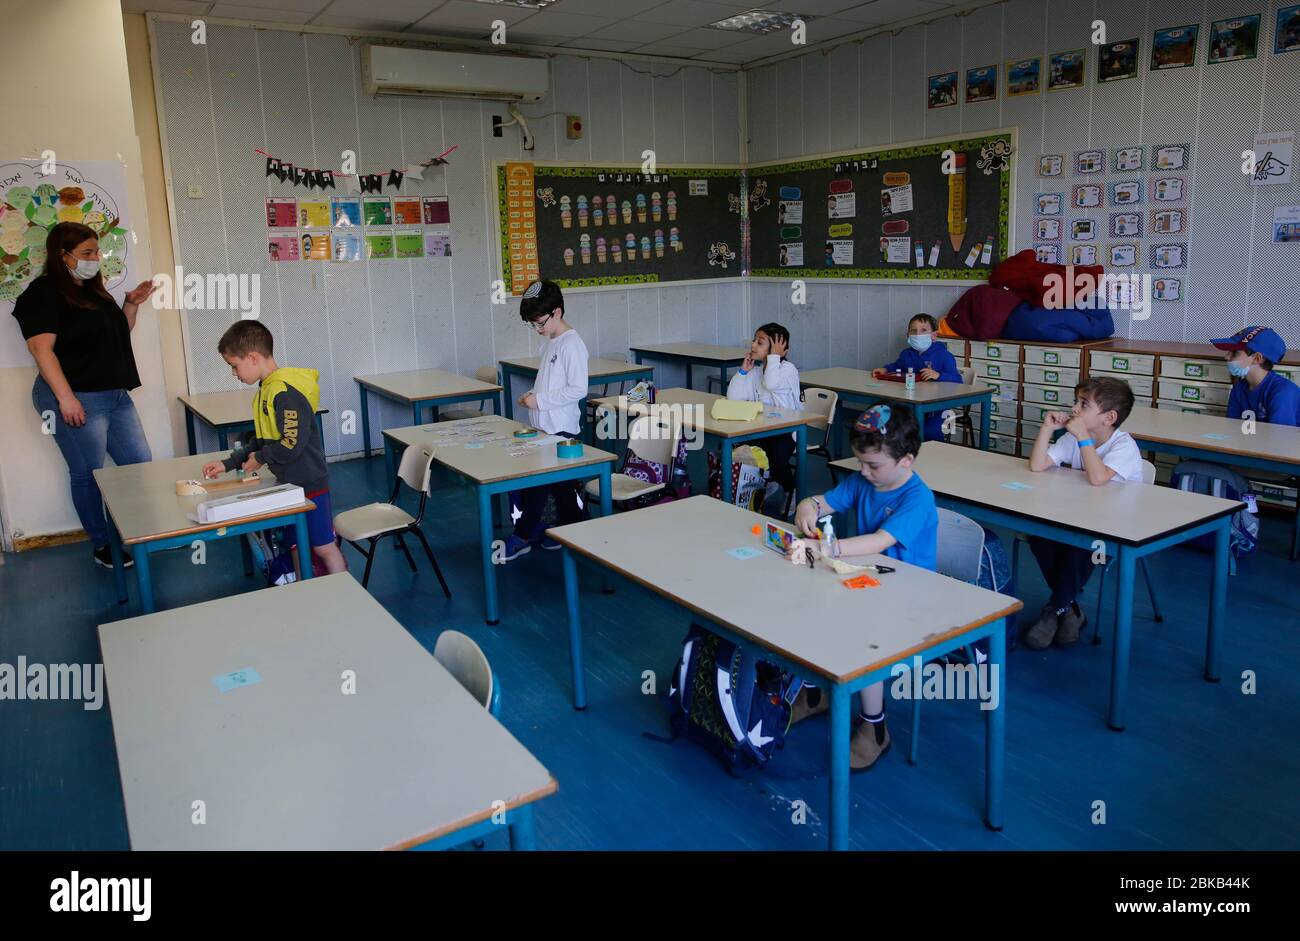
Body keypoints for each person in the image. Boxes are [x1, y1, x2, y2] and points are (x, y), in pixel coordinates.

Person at [785, 405, 938, 770]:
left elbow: (881, 541)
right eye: (861, 464)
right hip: (868, 580)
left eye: (874, 465)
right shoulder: (863, 480)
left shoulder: (917, 498)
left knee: (866, 636)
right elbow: (822, 501)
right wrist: (807, 508)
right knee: (804, 603)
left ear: (906, 461)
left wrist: (827, 548)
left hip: (912, 596)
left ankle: (875, 727)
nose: (865, 473)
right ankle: (814, 692)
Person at [11, 222, 156, 568]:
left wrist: (131, 307)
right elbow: (41, 349)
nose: (96, 259)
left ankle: (139, 534)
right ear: (62, 256)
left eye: (97, 251)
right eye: (87, 253)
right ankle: (103, 545)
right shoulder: (42, 293)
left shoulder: (94, 291)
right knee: (89, 472)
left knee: (137, 465)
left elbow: (112, 337)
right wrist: (66, 399)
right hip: (75, 395)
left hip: (114, 395)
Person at [201, 320, 347, 575]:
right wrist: (228, 463)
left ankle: (346, 591)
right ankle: (305, 592)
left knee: (323, 546)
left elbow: (291, 445)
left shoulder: (285, 394)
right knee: (295, 545)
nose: (234, 374)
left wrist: (260, 457)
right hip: (289, 485)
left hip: (310, 484)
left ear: (253, 357)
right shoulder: (266, 391)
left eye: (234, 366)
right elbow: (263, 439)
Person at [1023, 376, 1142, 649]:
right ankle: (1068, 607)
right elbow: (1038, 465)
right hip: (1075, 516)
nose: (1075, 409)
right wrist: (1046, 429)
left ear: (1108, 418)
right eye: (1076, 402)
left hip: (1114, 529)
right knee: (1040, 536)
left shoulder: (1123, 445)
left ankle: (1057, 608)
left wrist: (1083, 439)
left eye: (1084, 404)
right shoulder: (1072, 438)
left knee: (1079, 547)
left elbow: (1099, 478)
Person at [500, 280, 589, 561]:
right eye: (533, 325)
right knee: (562, 490)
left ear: (557, 312)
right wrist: (533, 395)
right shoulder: (552, 342)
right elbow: (551, 383)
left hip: (561, 431)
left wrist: (539, 401)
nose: (537, 329)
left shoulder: (571, 344)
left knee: (540, 484)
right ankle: (581, 531)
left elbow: (578, 389)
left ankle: (522, 535)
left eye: (539, 323)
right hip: (545, 428)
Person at [727, 322, 800, 499]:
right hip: (761, 428)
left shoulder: (787, 369)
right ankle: (767, 482)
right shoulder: (756, 371)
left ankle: (790, 491)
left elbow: (772, 383)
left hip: (786, 431)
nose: (753, 345)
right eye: (754, 340)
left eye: (760, 343)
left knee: (776, 459)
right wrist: (743, 372)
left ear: (778, 350)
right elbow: (733, 397)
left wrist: (774, 357)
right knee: (742, 450)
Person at [873, 313, 964, 439]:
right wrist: (885, 369)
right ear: (908, 335)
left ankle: (932, 455)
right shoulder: (907, 354)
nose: (918, 334)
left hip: (938, 407)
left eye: (923, 330)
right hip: (911, 404)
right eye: (913, 331)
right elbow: (897, 366)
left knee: (929, 431)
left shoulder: (944, 356)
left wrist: (939, 375)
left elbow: (958, 381)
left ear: (934, 335)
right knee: (893, 426)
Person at [1212, 326, 1299, 426]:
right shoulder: (1239, 388)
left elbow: (1280, 438)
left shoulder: (1283, 392)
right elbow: (1232, 428)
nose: (1226, 356)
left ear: (1257, 358)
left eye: (1235, 352)